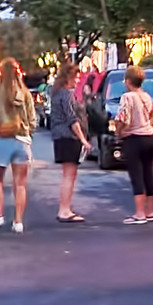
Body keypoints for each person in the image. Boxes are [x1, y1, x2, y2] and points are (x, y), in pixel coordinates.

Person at [0, 58, 35, 233]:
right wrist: (27, 132)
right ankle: (18, 221)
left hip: (1, 141)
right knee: (20, 183)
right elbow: (33, 120)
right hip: (21, 141)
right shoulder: (25, 94)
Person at [114, 65, 153, 225]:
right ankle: (150, 211)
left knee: (136, 175)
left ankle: (139, 213)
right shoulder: (146, 96)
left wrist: (118, 131)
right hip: (149, 137)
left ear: (128, 81)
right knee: (148, 173)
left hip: (134, 138)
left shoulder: (127, 97)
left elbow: (122, 118)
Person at [49, 61, 93, 223]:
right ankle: (64, 210)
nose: (77, 80)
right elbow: (71, 119)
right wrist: (83, 139)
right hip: (69, 137)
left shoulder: (56, 93)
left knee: (68, 174)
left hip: (59, 136)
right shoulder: (66, 94)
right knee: (69, 175)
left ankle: (65, 208)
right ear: (68, 77)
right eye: (75, 77)